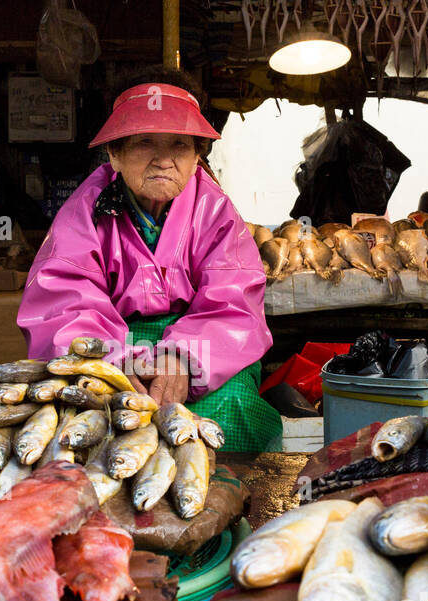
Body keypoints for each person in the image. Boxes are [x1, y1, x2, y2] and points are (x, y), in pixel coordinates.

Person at [17, 67, 282, 452]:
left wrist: (181, 359)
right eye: (144, 143)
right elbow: (61, 307)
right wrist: (117, 363)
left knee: (234, 406)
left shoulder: (217, 213)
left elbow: (235, 305)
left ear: (196, 157)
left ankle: (227, 502)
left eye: (178, 144)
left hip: (204, 353)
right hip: (112, 348)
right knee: (91, 423)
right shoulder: (82, 214)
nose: (163, 160)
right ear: (115, 154)